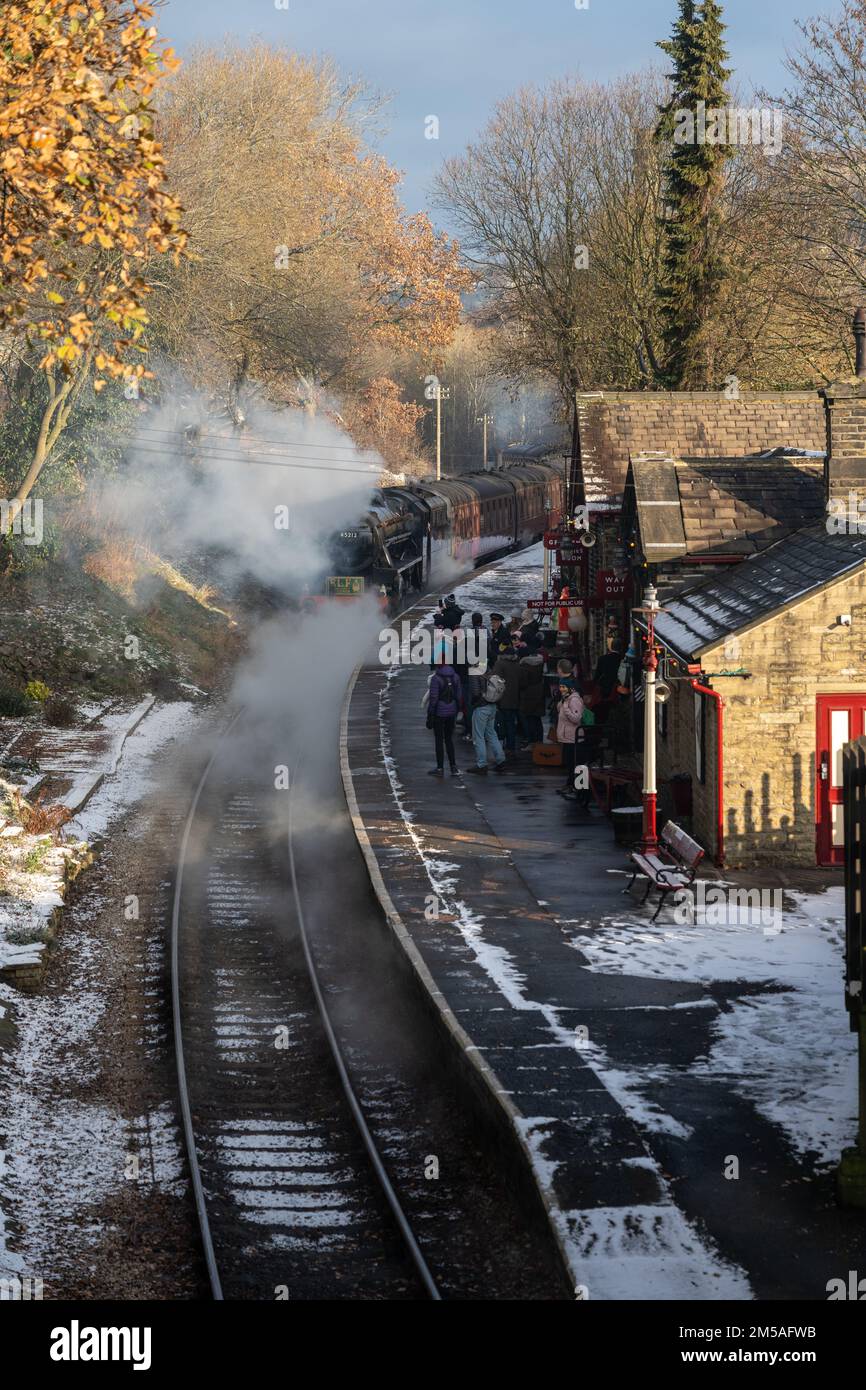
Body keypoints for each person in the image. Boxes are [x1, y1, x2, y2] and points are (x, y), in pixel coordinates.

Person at [466, 659, 506, 775]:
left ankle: (482, 764)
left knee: (478, 736)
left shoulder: (474, 673)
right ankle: (501, 760)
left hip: (481, 708)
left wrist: (473, 704)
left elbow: (475, 693)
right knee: (492, 734)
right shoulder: (489, 671)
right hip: (492, 706)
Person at [426, 658, 462, 777]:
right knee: (449, 739)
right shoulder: (455, 676)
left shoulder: (436, 679)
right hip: (451, 712)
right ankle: (453, 766)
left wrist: (430, 714)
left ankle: (440, 768)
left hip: (439, 713)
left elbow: (433, 699)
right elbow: (458, 695)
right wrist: (457, 709)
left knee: (438, 740)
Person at [555, 677, 586, 798]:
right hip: (567, 737)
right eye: (560, 686)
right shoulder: (566, 699)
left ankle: (578, 790)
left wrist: (566, 707)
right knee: (569, 764)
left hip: (574, 738)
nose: (561, 689)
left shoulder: (574, 700)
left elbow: (576, 719)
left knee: (576, 764)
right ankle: (571, 786)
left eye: (564, 687)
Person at [492, 642, 521, 754]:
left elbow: (495, 679)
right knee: (511, 722)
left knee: (501, 722)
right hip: (514, 698)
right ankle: (511, 745)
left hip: (502, 698)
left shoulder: (500, 664)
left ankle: (501, 745)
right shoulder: (517, 664)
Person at [518, 643, 546, 748]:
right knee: (537, 719)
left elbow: (523, 683)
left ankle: (532, 742)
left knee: (529, 719)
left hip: (528, 694)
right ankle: (539, 741)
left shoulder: (524, 666)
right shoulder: (540, 663)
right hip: (539, 692)